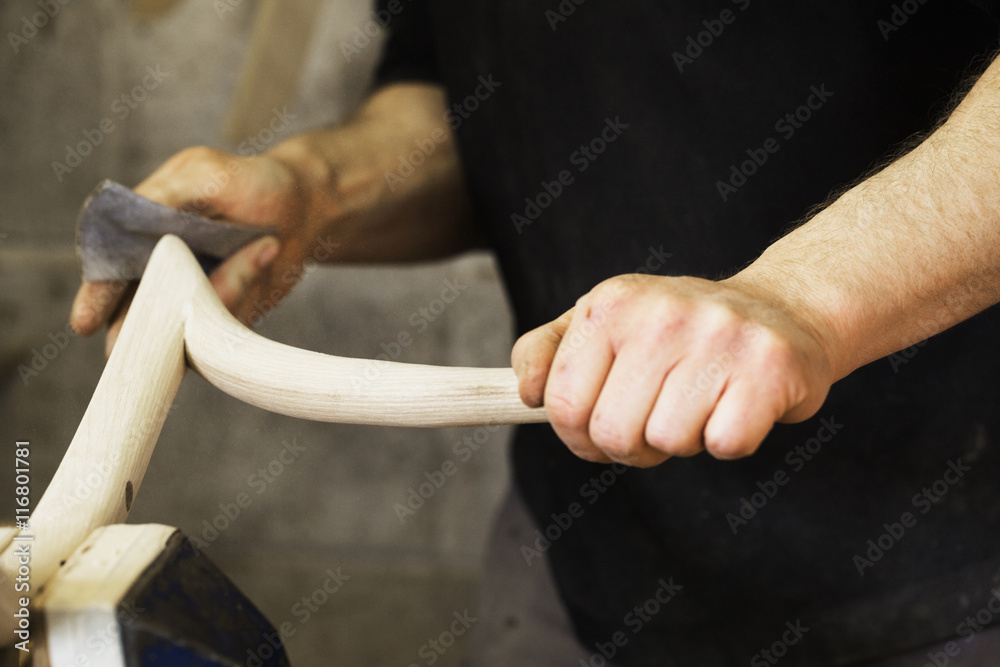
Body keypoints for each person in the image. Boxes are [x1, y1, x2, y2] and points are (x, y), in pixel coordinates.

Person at [71, 2, 1000, 664]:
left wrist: (803, 297)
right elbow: (463, 94)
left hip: (942, 559)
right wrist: (314, 187)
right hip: (576, 556)